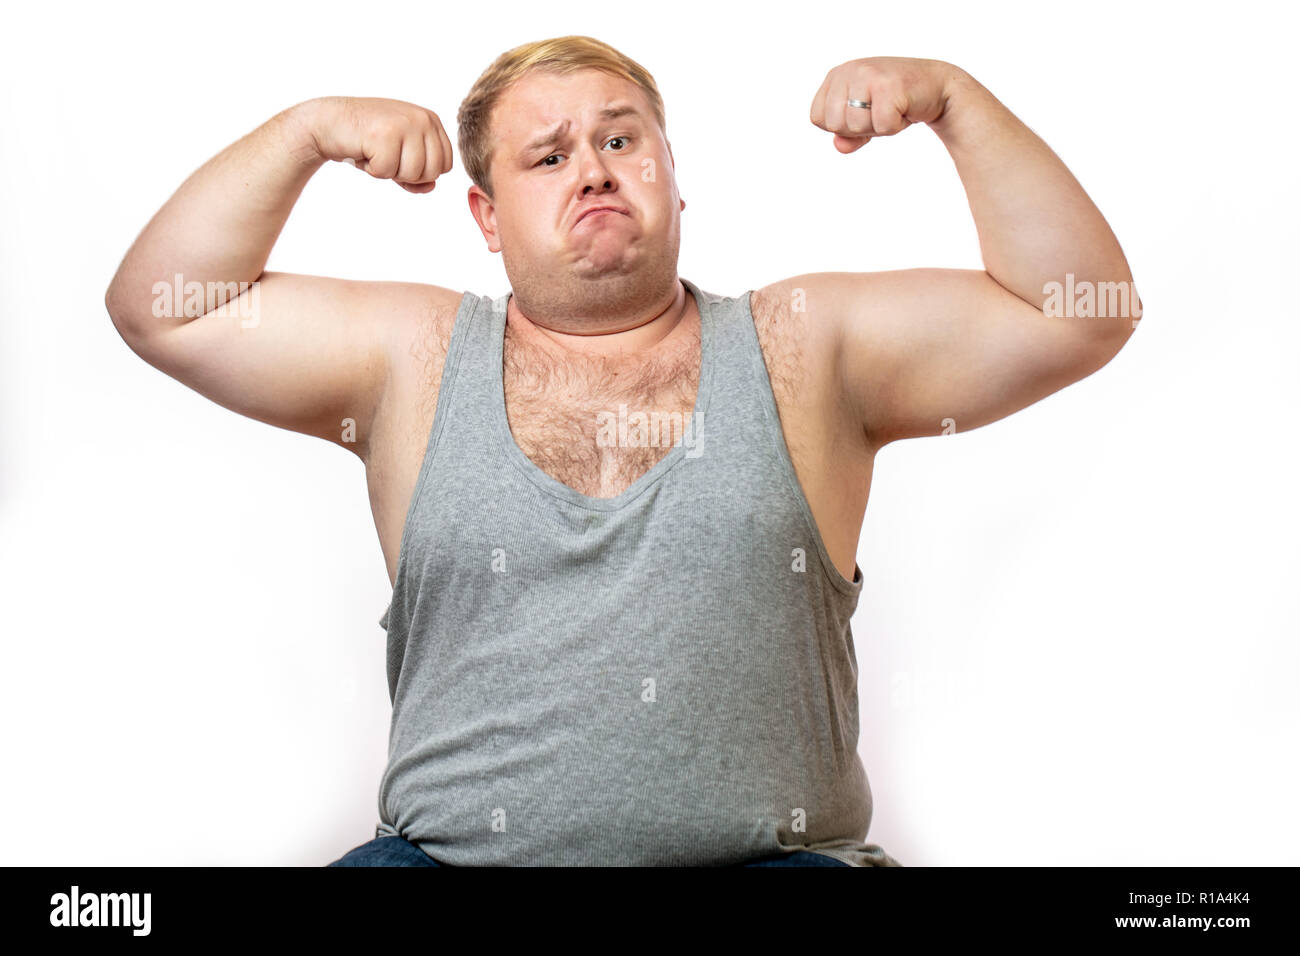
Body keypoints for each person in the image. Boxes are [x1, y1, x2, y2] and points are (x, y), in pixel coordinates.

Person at [104, 35, 1139, 867]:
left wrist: (955, 100)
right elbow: (160, 307)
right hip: (446, 862)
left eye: (620, 139)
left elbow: (1078, 311)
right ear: (487, 217)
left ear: (675, 183)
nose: (593, 169)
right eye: (548, 156)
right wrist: (307, 132)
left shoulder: (805, 343)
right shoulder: (410, 356)